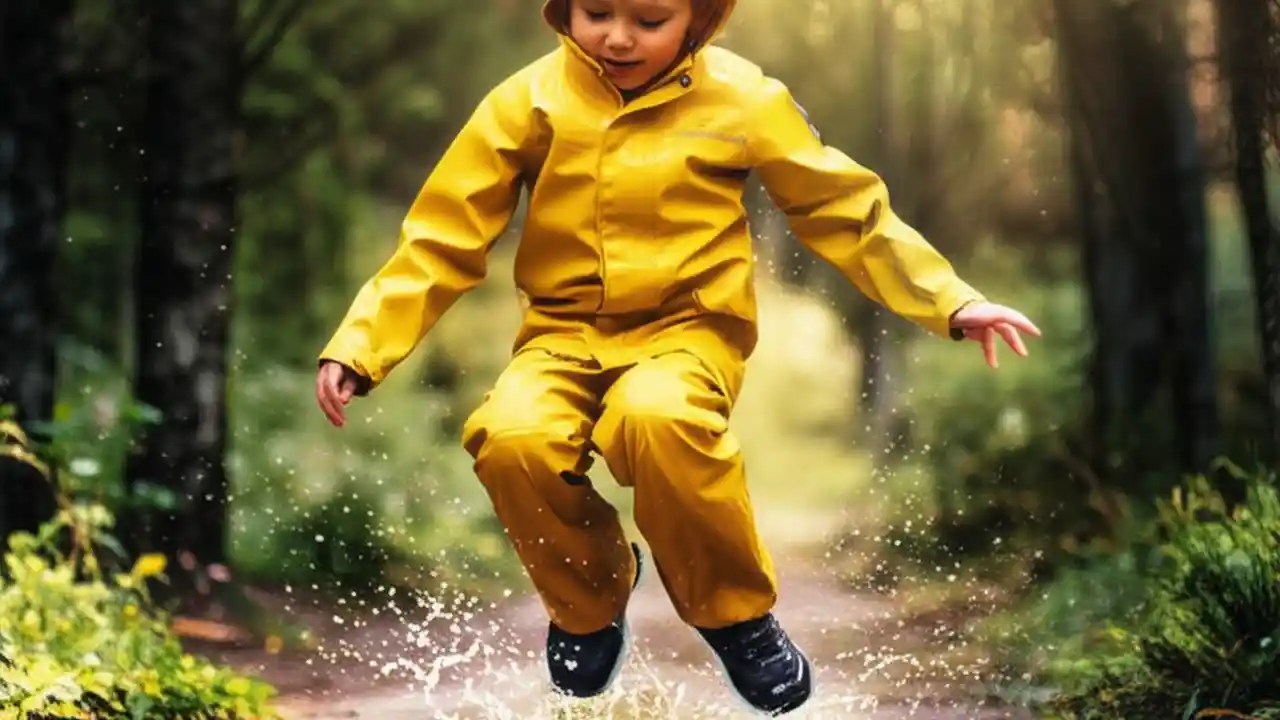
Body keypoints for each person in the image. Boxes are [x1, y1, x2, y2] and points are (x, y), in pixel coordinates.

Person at [314, 0, 1040, 714]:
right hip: (561, 334)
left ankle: (736, 618)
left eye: (649, 21)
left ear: (698, 18)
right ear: (564, 9)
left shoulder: (745, 99)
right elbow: (443, 236)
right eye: (597, 13)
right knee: (511, 438)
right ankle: (588, 601)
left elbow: (843, 208)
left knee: (657, 419)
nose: (619, 38)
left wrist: (948, 299)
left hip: (689, 331)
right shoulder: (527, 101)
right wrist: (362, 344)